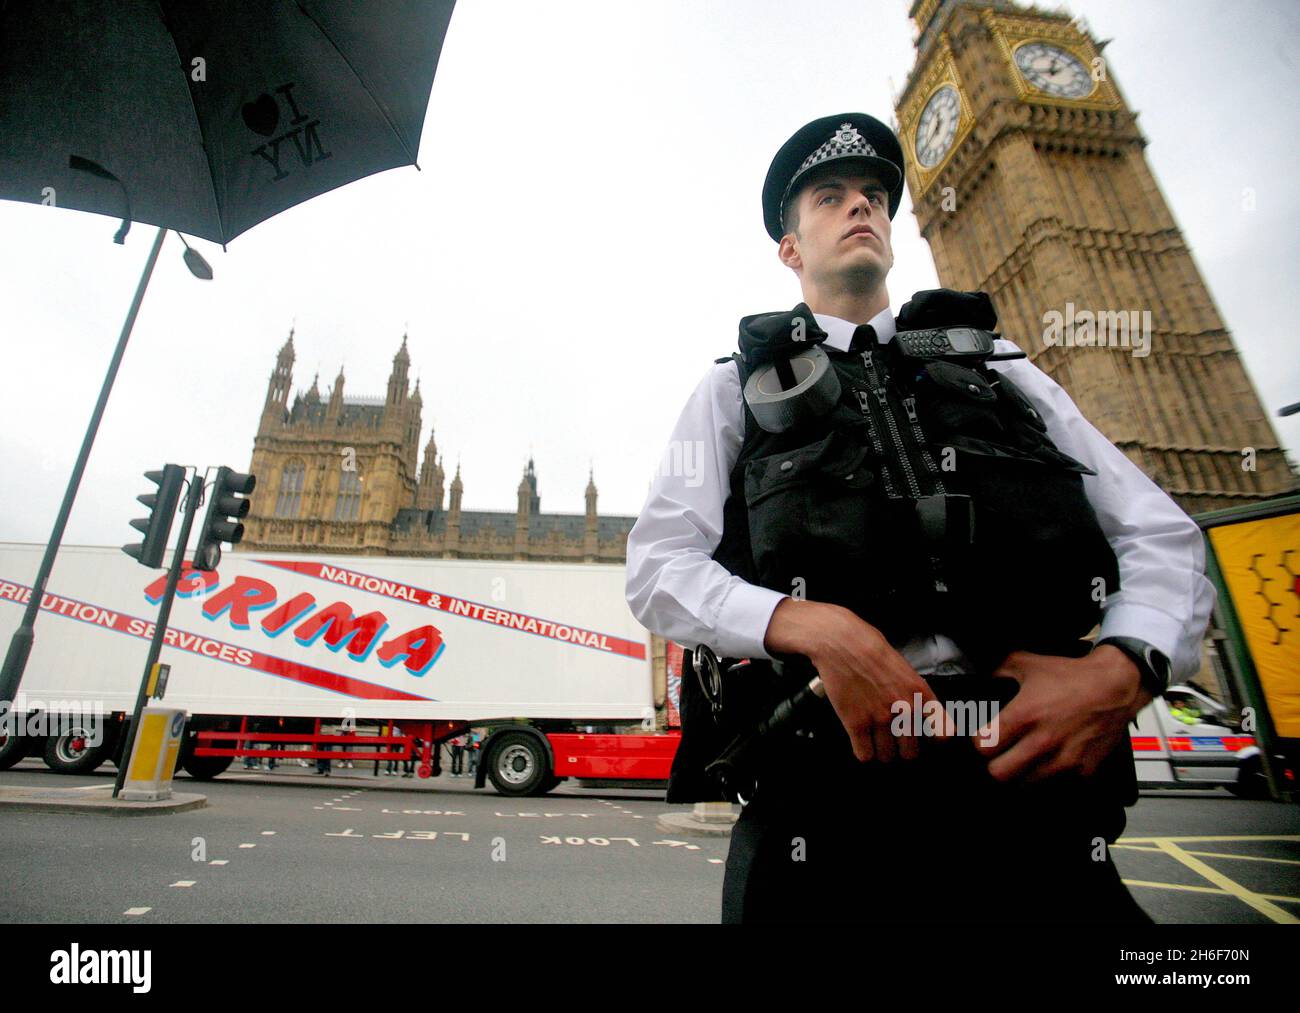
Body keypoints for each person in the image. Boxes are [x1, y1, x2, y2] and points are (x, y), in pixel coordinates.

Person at [624, 112, 1216, 924]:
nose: (859, 207)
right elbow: (658, 564)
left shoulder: (1001, 367)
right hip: (826, 809)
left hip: (1030, 793)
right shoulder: (732, 389)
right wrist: (816, 629)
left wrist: (1122, 667)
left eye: (873, 196)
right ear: (790, 249)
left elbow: (1161, 533)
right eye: (830, 197)